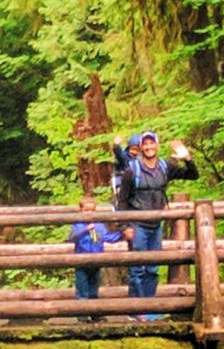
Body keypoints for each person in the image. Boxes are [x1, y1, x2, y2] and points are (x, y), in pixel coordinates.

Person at [116, 131, 199, 313]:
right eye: (145, 144)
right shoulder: (132, 171)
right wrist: (124, 226)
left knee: (152, 268)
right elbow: (122, 201)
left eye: (151, 143)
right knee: (137, 268)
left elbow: (193, 175)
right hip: (137, 224)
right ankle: (137, 310)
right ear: (140, 148)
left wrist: (187, 158)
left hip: (156, 225)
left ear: (157, 145)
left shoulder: (165, 167)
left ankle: (150, 309)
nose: (149, 147)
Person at [69, 195, 123, 320]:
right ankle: (82, 315)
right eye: (86, 210)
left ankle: (95, 314)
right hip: (81, 261)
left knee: (94, 289)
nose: (89, 213)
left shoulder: (99, 225)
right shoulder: (77, 224)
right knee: (82, 289)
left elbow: (108, 238)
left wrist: (121, 234)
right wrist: (85, 230)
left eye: (92, 210)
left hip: (96, 261)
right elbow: (72, 237)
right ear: (80, 210)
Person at [111, 134, 141, 207]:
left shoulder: (141, 159)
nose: (135, 152)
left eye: (137, 150)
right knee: (120, 193)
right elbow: (118, 152)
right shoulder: (124, 156)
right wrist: (116, 145)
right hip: (121, 179)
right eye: (133, 149)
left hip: (135, 181)